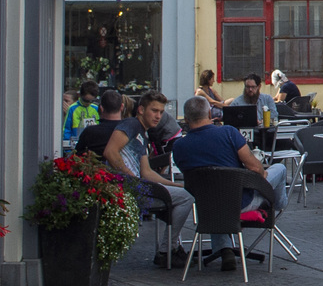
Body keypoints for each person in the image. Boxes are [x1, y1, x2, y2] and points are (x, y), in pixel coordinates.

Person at [89, 91, 210, 269]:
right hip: (126, 190)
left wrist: (175, 185)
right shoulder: (131, 124)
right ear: (141, 110)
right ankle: (168, 250)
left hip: (138, 188)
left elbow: (146, 172)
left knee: (183, 195)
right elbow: (110, 152)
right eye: (154, 111)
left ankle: (171, 249)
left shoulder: (143, 134)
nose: (158, 116)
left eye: (161, 112)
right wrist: (131, 176)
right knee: (186, 198)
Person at [170, 96, 287, 270]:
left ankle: (225, 250)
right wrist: (262, 175)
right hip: (241, 202)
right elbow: (255, 168)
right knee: (279, 169)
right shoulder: (229, 133)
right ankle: (277, 205)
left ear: (186, 119)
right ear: (210, 114)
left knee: (215, 191)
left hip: (206, 206)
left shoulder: (179, 146)